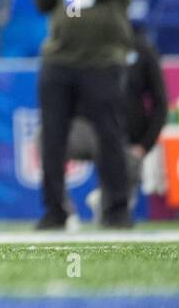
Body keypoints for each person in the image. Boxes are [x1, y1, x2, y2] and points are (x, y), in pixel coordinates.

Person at [32, 0, 140, 229]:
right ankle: (55, 211)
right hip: (59, 61)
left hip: (103, 62)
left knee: (110, 136)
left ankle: (117, 209)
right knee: (52, 138)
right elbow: (43, 1)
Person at [69, 26, 167, 217]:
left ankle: (112, 200)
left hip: (129, 141)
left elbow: (161, 104)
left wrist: (143, 146)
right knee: (47, 139)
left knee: (118, 210)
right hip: (94, 133)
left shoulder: (142, 50)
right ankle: (61, 209)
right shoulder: (86, 47)